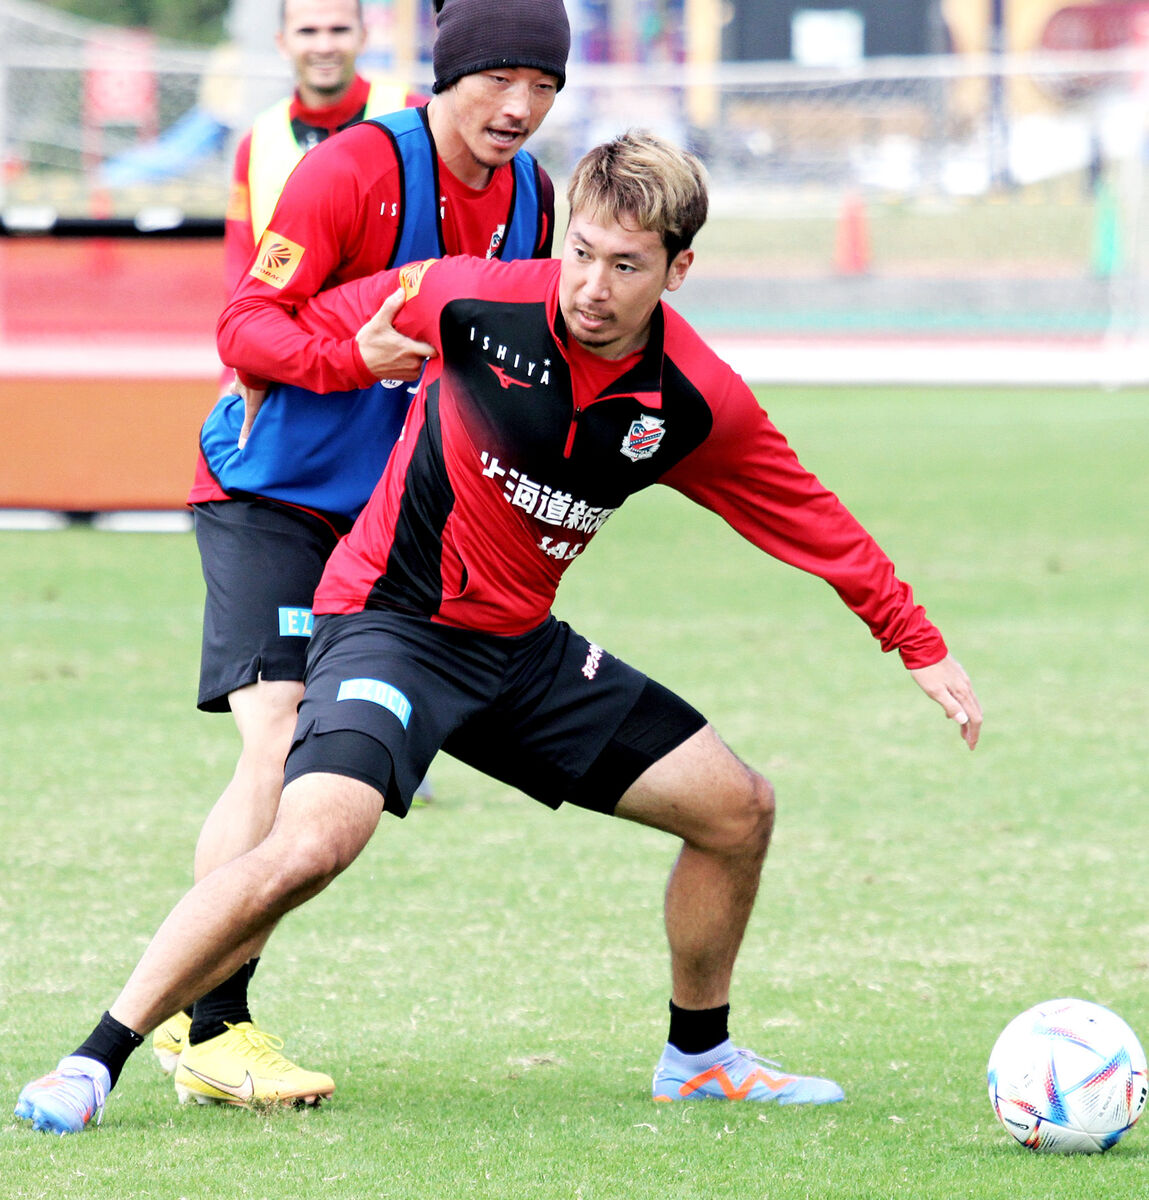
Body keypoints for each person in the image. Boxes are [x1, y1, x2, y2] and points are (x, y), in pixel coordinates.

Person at [15, 131, 982, 1136]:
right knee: (311, 846)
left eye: (626, 265)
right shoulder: (479, 299)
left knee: (737, 811)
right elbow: (322, 313)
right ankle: (95, 1060)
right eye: (582, 252)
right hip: (389, 627)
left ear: (678, 270)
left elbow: (805, 514)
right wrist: (300, 362)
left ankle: (699, 1057)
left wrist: (914, 640)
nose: (592, 286)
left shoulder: (693, 401)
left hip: (520, 653)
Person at [160, 0, 571, 1106]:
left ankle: (209, 1022)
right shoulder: (350, 171)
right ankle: (210, 1030)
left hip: (389, 526)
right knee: (279, 744)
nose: (521, 109)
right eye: (501, 82)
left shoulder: (532, 193)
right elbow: (245, 326)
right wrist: (358, 353)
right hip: (271, 496)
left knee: (328, 781)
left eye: (545, 87)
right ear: (449, 74)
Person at [222, 0, 420, 296]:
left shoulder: (415, 118)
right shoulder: (257, 142)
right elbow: (240, 282)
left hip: (400, 332)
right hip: (297, 338)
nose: (325, 45)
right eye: (308, 31)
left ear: (363, 36)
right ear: (282, 42)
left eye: (339, 30)